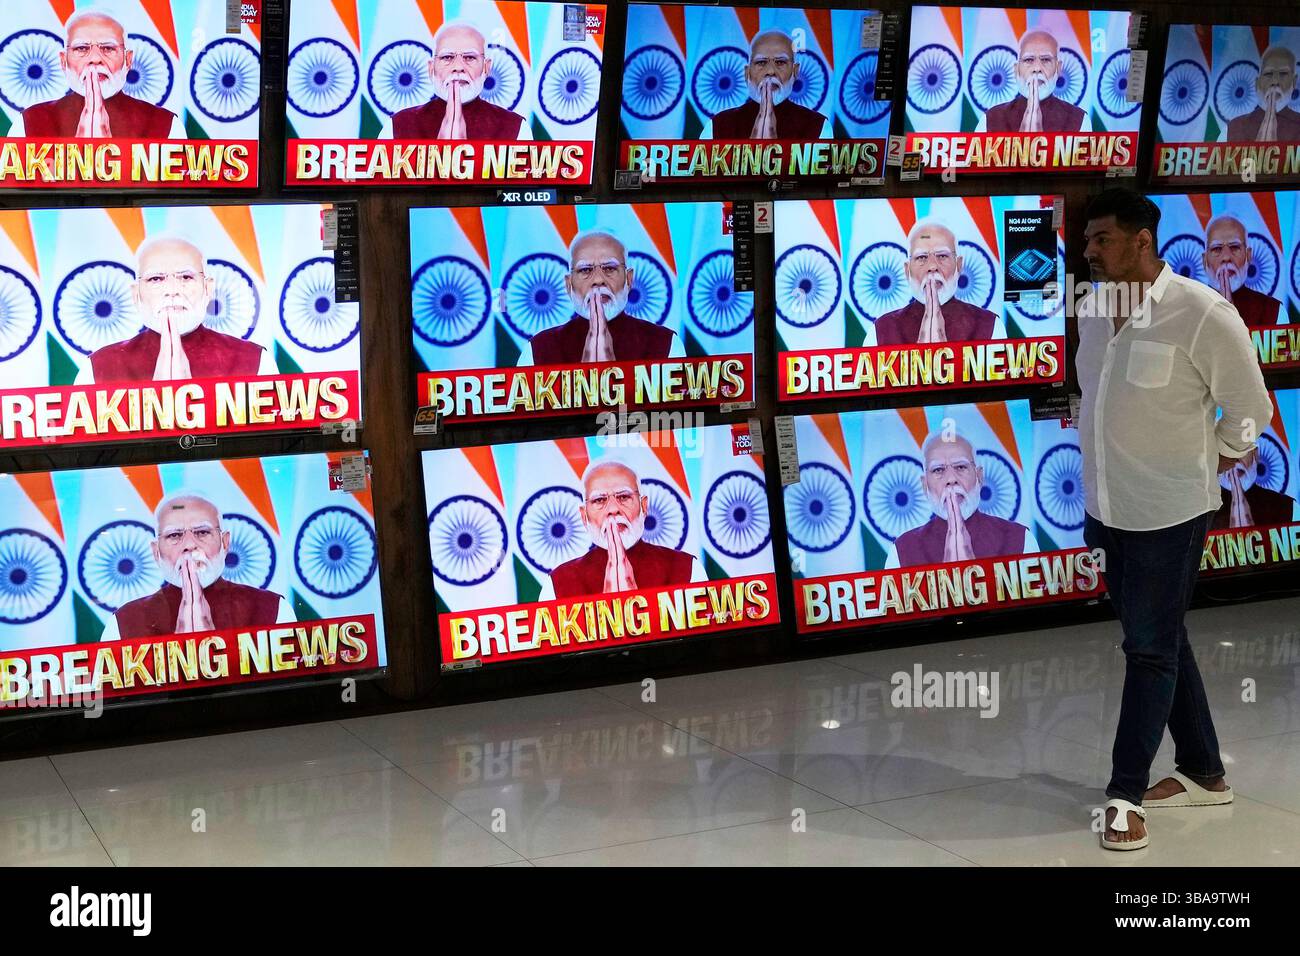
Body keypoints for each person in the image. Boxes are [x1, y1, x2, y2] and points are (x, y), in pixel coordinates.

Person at [1077, 187, 1272, 850]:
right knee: (1159, 636)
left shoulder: (1201, 313)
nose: (1090, 252)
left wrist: (1209, 463)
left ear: (1142, 240)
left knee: (1149, 649)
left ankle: (1123, 794)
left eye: (1102, 239)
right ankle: (1204, 771)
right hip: (1106, 508)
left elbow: (1251, 411)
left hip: (1169, 513)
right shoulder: (1092, 307)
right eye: (1087, 241)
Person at [100, 492, 295, 640]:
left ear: (225, 543)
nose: (189, 545)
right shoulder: (123, 622)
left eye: (202, 532)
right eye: (174, 535)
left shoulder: (274, 609)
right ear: (155, 552)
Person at [82, 236, 273, 384]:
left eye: (186, 277)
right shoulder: (98, 367)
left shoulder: (254, 361)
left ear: (208, 288)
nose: (172, 290)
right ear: (135, 294)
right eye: (156, 279)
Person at [538, 458, 706, 600]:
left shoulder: (686, 568)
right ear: (584, 516)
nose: (613, 509)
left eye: (624, 497)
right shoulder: (558, 582)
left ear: (644, 506)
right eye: (599, 500)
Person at [518, 230, 684, 365]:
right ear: (569, 285)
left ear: (629, 279)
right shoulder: (537, 350)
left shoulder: (666, 344)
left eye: (610, 268)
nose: (598, 280)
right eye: (585, 270)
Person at [12, 10, 183, 138]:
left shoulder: (165, 125)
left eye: (108, 48)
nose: (94, 58)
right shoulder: (29, 123)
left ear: (128, 60)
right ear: (63, 61)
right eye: (81, 48)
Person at [884, 431, 1033, 568]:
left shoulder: (1020, 538)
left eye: (961, 467)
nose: (951, 479)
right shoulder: (902, 550)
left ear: (979, 476)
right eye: (938, 470)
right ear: (924, 485)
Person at [381, 21, 529, 141]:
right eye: (447, 57)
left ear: (486, 68)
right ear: (431, 68)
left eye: (469, 57)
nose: (458, 67)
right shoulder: (397, 125)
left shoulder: (515, 128)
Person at [873, 221, 1000, 345]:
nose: (932, 266)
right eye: (921, 257)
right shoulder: (880, 330)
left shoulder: (990, 325)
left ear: (959, 265)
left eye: (942, 256)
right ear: (907, 270)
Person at [702, 30, 831, 140]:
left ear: (795, 71)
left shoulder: (818, 126)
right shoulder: (716, 126)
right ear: (747, 73)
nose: (770, 71)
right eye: (761, 63)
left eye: (780, 62)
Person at [983, 28, 1085, 134]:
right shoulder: (989, 119)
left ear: (1058, 68)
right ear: (1016, 69)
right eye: (1028, 60)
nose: (1037, 68)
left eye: (1045, 60)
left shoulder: (1079, 119)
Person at [1201, 216, 1285, 327]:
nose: (1226, 257)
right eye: (1217, 248)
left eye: (1235, 247)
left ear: (1248, 256)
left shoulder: (1274, 311)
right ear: (1204, 260)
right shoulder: (1188, 311)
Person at [1225, 45, 1300, 143]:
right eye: (1268, 74)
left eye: (1283, 74)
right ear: (1257, 83)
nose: (1275, 81)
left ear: (1294, 82)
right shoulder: (1234, 127)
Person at [1211, 452, 1295, 530]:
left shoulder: (1287, 505)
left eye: (1241, 449)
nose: (1235, 458)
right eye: (1225, 451)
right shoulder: (1203, 509)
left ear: (1255, 454)